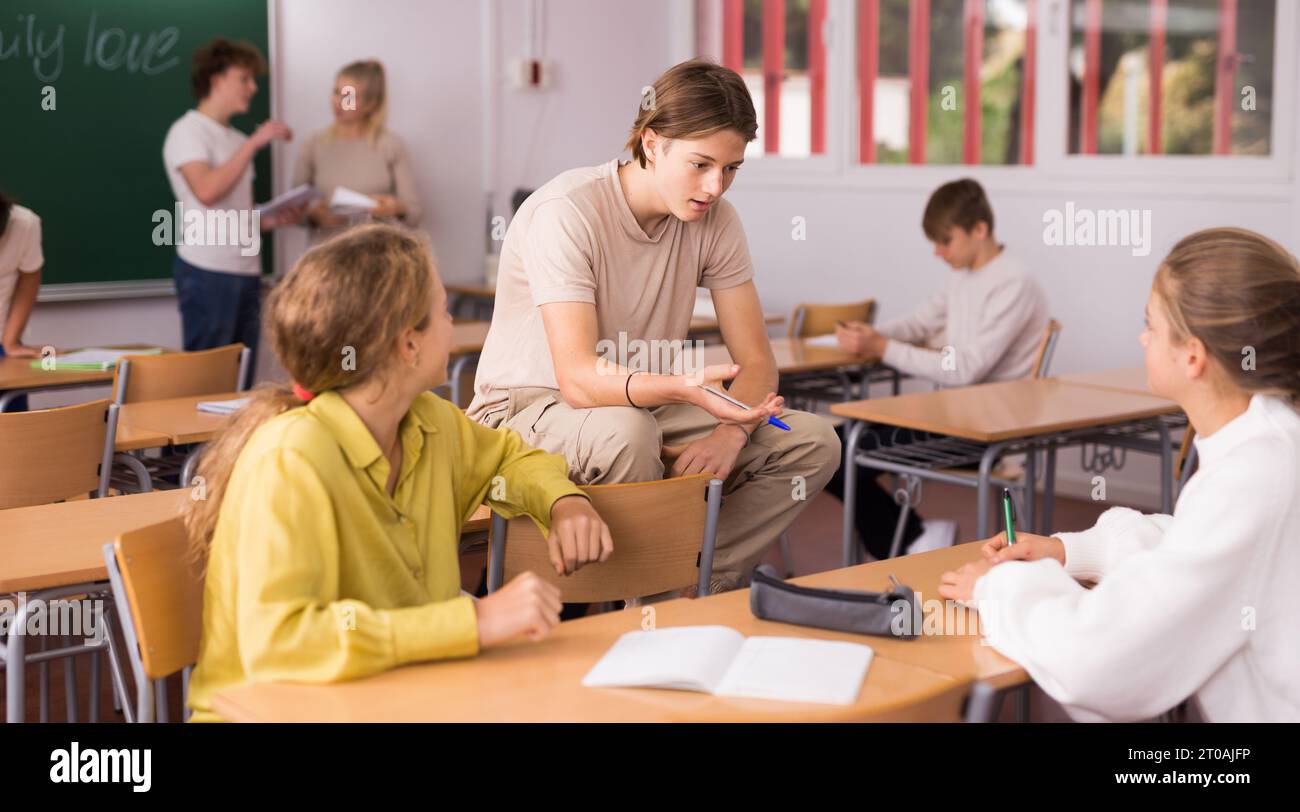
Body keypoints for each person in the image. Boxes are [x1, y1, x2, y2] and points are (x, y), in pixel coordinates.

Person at [186, 225, 612, 722]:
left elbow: (508, 459)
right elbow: (281, 643)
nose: (453, 324)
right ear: (409, 344)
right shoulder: (291, 459)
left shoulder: (432, 423)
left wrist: (564, 502)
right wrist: (473, 620)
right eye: (444, 311)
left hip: (401, 698)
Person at [466, 59, 840, 594]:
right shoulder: (567, 211)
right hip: (530, 408)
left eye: (731, 169)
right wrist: (681, 388)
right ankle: (645, 598)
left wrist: (732, 431)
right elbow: (576, 378)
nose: (715, 187)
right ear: (651, 144)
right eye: (701, 164)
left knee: (810, 440)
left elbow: (757, 363)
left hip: (640, 404)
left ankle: (683, 578)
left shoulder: (717, 223)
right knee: (628, 433)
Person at [941, 227, 1300, 722]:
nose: (1141, 337)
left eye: (1150, 325)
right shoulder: (1272, 442)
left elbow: (1095, 662)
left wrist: (995, 589)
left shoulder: (1255, 475)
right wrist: (1073, 552)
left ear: (1192, 356)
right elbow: (1201, 549)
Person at [827, 178, 1049, 560]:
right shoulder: (963, 276)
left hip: (986, 431)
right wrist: (874, 334)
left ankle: (914, 540)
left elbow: (965, 370)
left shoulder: (1014, 283)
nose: (938, 251)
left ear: (979, 230)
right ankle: (916, 538)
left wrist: (881, 347)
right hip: (951, 417)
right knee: (830, 447)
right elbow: (921, 321)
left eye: (946, 241)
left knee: (837, 455)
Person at [162, 37, 302, 372]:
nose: (253, 88)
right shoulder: (188, 132)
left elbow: (240, 214)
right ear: (217, 79)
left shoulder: (237, 140)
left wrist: (273, 218)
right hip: (207, 271)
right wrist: (255, 143)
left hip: (246, 272)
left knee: (242, 377)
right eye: (245, 78)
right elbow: (207, 192)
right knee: (208, 378)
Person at [293, 59, 422, 244]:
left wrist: (397, 208)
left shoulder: (391, 145)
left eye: (348, 96)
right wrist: (313, 215)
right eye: (336, 92)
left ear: (370, 104)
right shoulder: (313, 144)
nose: (338, 102)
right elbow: (294, 209)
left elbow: (414, 213)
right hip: (325, 258)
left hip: (376, 256)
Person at [0, 191, 43, 412]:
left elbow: (29, 277)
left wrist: (11, 341)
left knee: (16, 430)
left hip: (1, 345)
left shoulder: (23, 224)